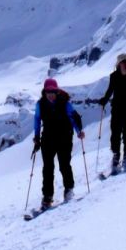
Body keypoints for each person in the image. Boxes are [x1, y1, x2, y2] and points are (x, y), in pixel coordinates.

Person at [32, 78, 85, 209]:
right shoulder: (40, 105)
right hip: (48, 138)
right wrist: (36, 137)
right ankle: (47, 196)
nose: (50, 94)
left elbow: (73, 118)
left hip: (64, 137)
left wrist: (79, 131)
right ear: (44, 92)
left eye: (52, 91)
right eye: (47, 91)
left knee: (64, 164)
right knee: (48, 168)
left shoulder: (64, 103)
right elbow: (37, 120)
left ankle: (69, 189)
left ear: (56, 91)